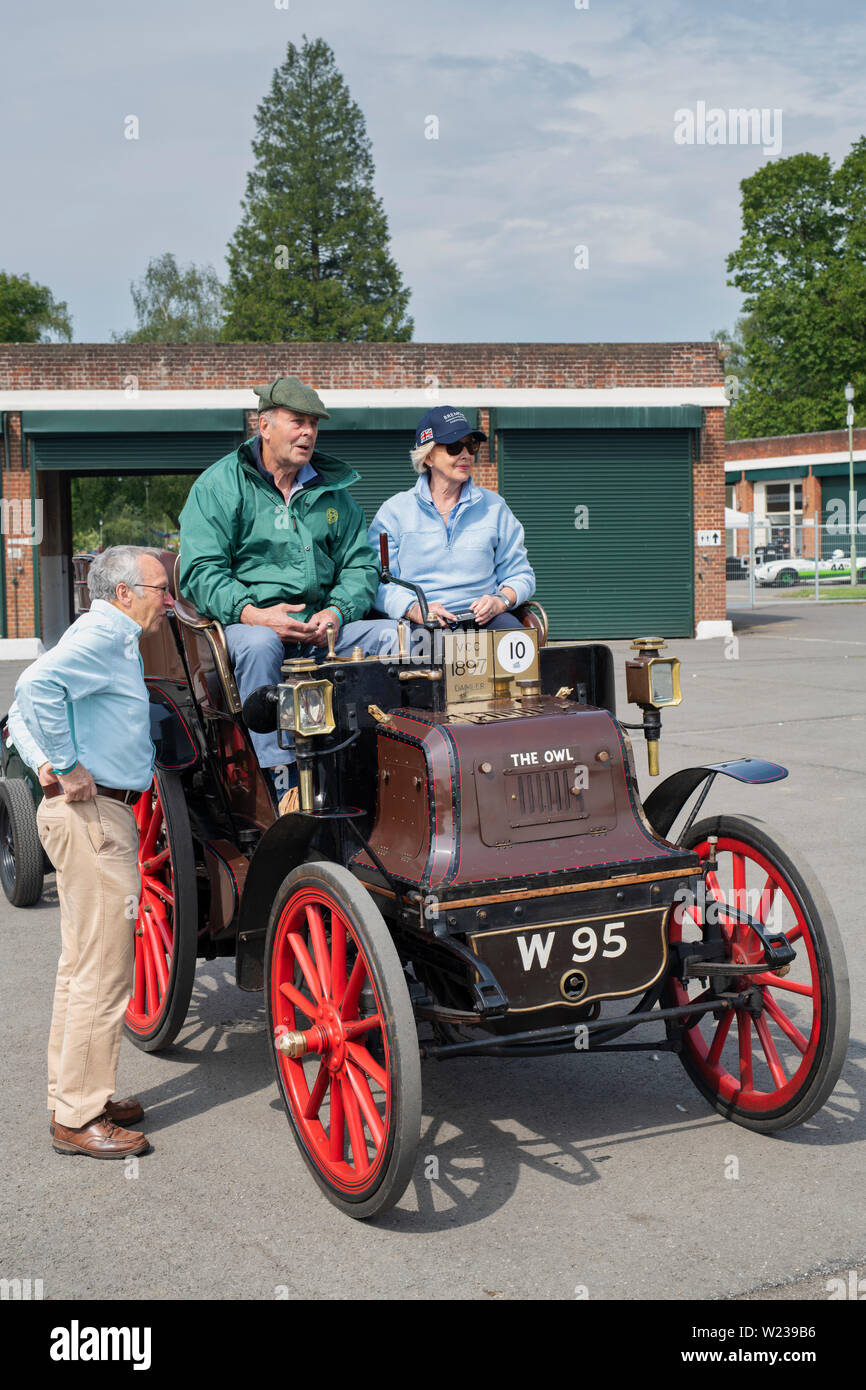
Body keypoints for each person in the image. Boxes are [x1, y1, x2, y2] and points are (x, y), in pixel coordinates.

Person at [6, 546, 174, 1159]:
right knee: (104, 971)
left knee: (81, 968)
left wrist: (47, 763)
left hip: (86, 812)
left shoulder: (99, 632)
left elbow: (24, 708)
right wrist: (68, 768)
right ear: (125, 592)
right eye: (160, 587)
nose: (167, 599)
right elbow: (33, 686)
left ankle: (73, 1096)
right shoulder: (106, 634)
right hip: (96, 814)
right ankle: (78, 1118)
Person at [178, 376, 381, 792]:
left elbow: (361, 568)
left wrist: (337, 611)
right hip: (248, 624)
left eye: (314, 423)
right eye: (297, 421)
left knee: (389, 636)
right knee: (260, 645)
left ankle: (380, 760)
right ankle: (279, 781)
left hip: (323, 630)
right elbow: (200, 572)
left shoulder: (335, 495)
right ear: (263, 425)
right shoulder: (218, 486)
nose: (308, 432)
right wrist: (253, 614)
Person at [367, 406, 536, 635]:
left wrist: (501, 602)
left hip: (486, 621)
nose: (465, 454)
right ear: (428, 457)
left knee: (518, 648)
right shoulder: (393, 512)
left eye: (471, 445)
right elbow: (378, 582)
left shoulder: (495, 508)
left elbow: (521, 574)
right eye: (454, 446)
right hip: (423, 624)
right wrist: (414, 609)